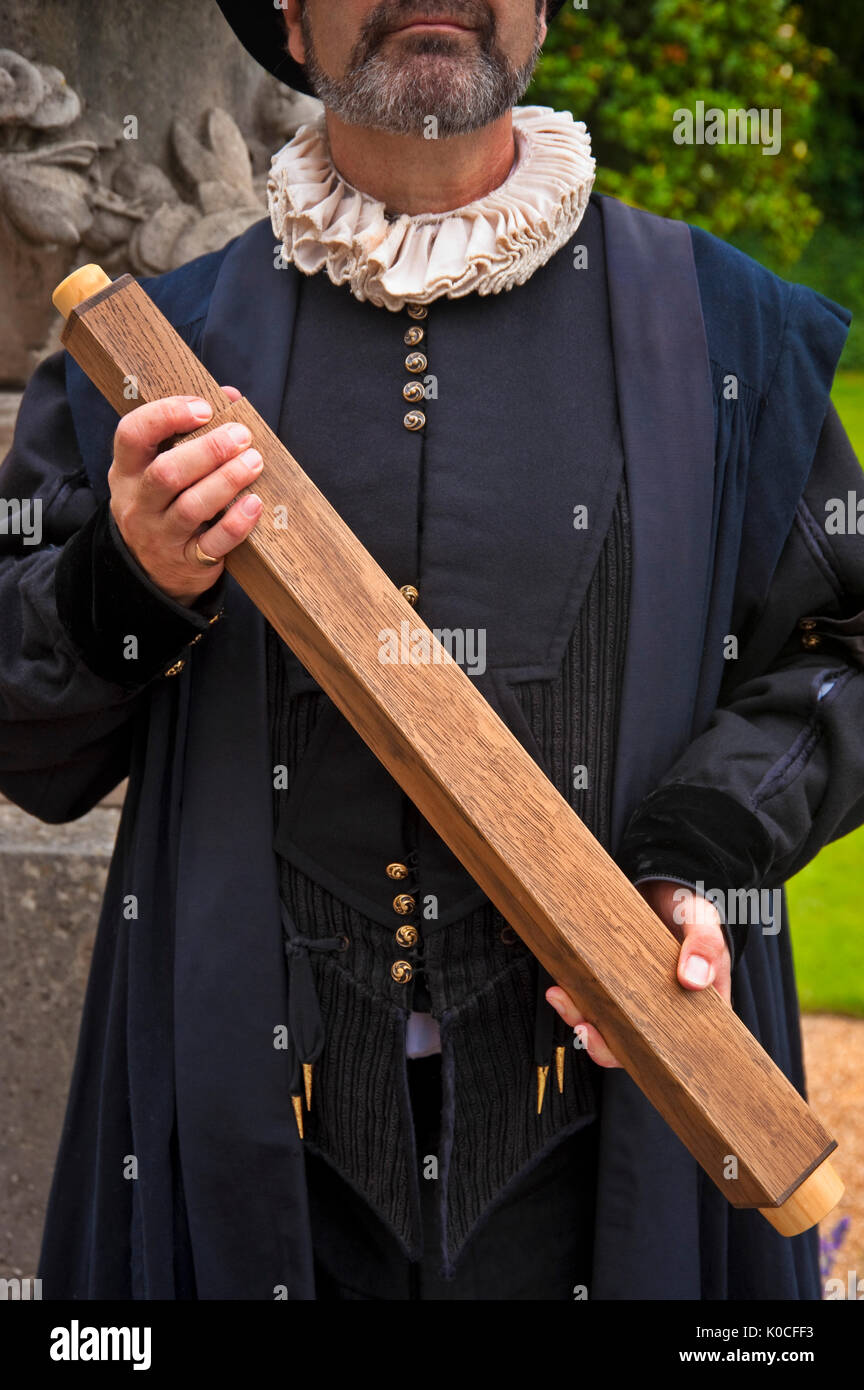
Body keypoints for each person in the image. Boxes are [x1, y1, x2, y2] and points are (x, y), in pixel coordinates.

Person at [1, 0, 862, 1301]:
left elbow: (840, 647)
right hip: (253, 1161)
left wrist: (701, 850)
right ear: (288, 14)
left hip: (613, 1155)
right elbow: (26, 728)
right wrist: (131, 578)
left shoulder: (734, 338)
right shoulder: (144, 359)